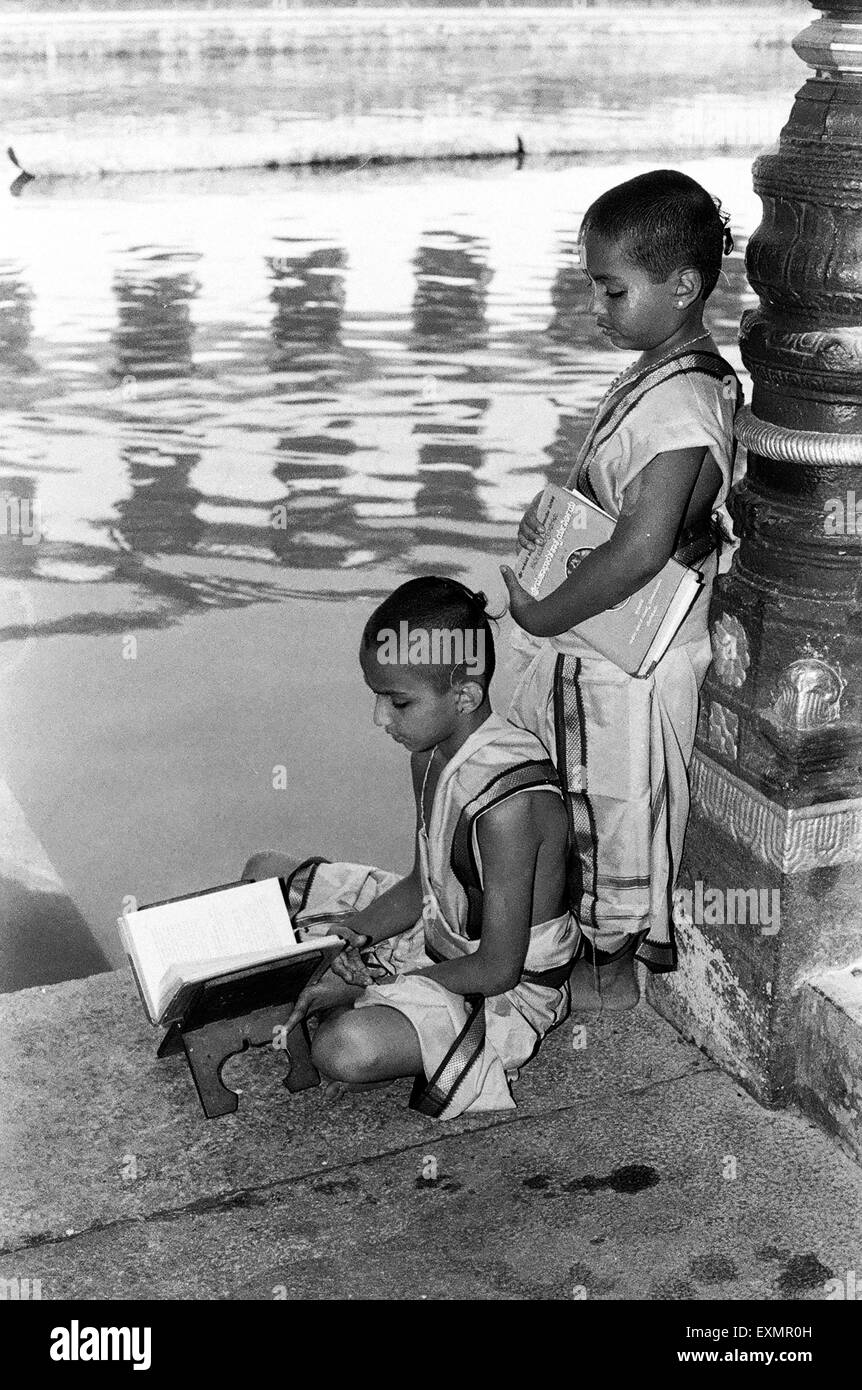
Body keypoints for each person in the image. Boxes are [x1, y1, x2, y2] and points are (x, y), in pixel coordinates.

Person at [500, 169, 743, 1013]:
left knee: (614, 809)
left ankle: (605, 981)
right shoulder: (669, 371)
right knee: (589, 800)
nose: (596, 309)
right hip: (612, 641)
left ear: (683, 286)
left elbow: (641, 550)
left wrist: (538, 611)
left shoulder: (679, 399)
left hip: (634, 656)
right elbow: (622, 508)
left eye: (611, 290)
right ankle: (580, 959)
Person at [242, 576, 578, 1120]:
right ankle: (347, 983)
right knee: (264, 875)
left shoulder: (510, 808)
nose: (380, 719)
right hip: (434, 930)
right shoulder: (429, 753)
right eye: (378, 697)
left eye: (398, 701)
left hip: (495, 984)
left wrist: (376, 986)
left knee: (343, 1048)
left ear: (465, 694)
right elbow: (425, 882)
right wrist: (347, 937)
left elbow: (497, 969)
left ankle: (378, 1013)